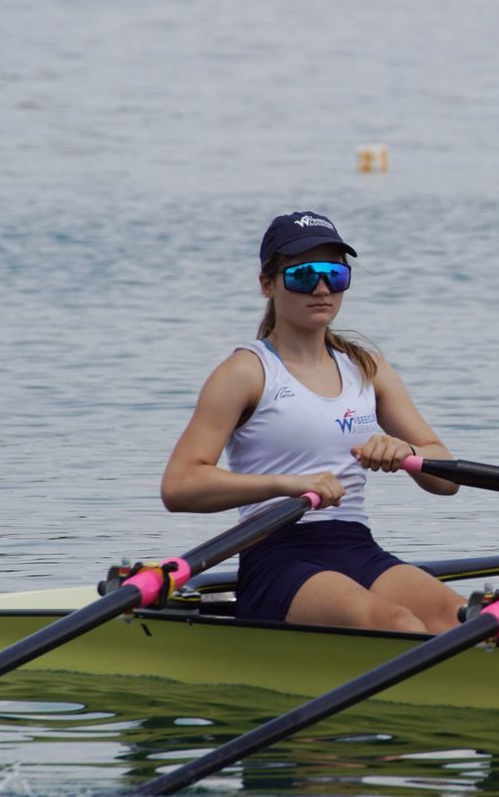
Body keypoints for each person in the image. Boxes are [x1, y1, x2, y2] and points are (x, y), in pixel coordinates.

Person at [161, 210, 463, 633]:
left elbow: (446, 477)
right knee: (395, 623)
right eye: (303, 275)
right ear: (267, 283)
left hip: (358, 547)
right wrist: (288, 484)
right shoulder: (245, 372)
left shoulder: (368, 367)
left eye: (335, 275)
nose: (321, 288)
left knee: (464, 618)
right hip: (276, 554)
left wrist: (409, 454)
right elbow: (179, 486)